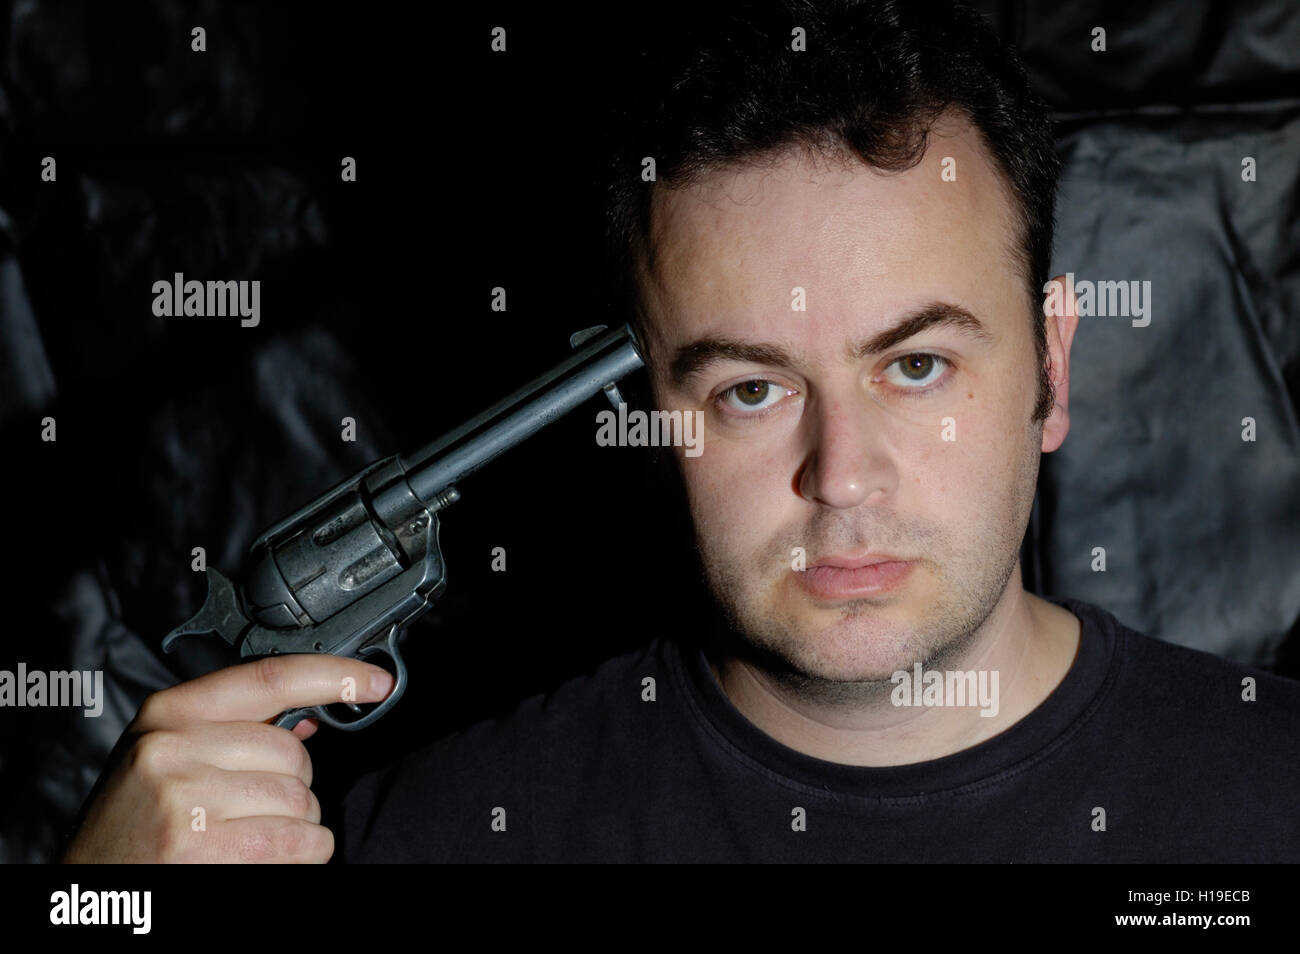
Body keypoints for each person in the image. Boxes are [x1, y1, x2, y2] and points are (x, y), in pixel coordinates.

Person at [60, 0, 1300, 863]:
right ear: (654, 421)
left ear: (1051, 364)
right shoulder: (445, 833)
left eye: (915, 365)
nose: (842, 476)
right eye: (750, 390)